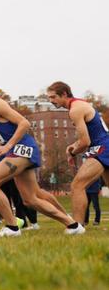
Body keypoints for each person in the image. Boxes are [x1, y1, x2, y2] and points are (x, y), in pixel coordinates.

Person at [0, 73, 82, 236]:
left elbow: (24, 123)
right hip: (14, 151)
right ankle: (73, 225)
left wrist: (8, 146)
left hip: (23, 148)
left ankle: (12, 228)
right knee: (30, 199)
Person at [46, 81, 109, 227]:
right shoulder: (79, 104)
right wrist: (73, 146)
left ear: (64, 94)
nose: (51, 101)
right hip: (103, 145)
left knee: (77, 186)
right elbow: (89, 136)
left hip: (102, 147)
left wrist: (73, 152)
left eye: (53, 97)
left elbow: (86, 142)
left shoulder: (75, 110)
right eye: (49, 98)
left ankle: (77, 227)